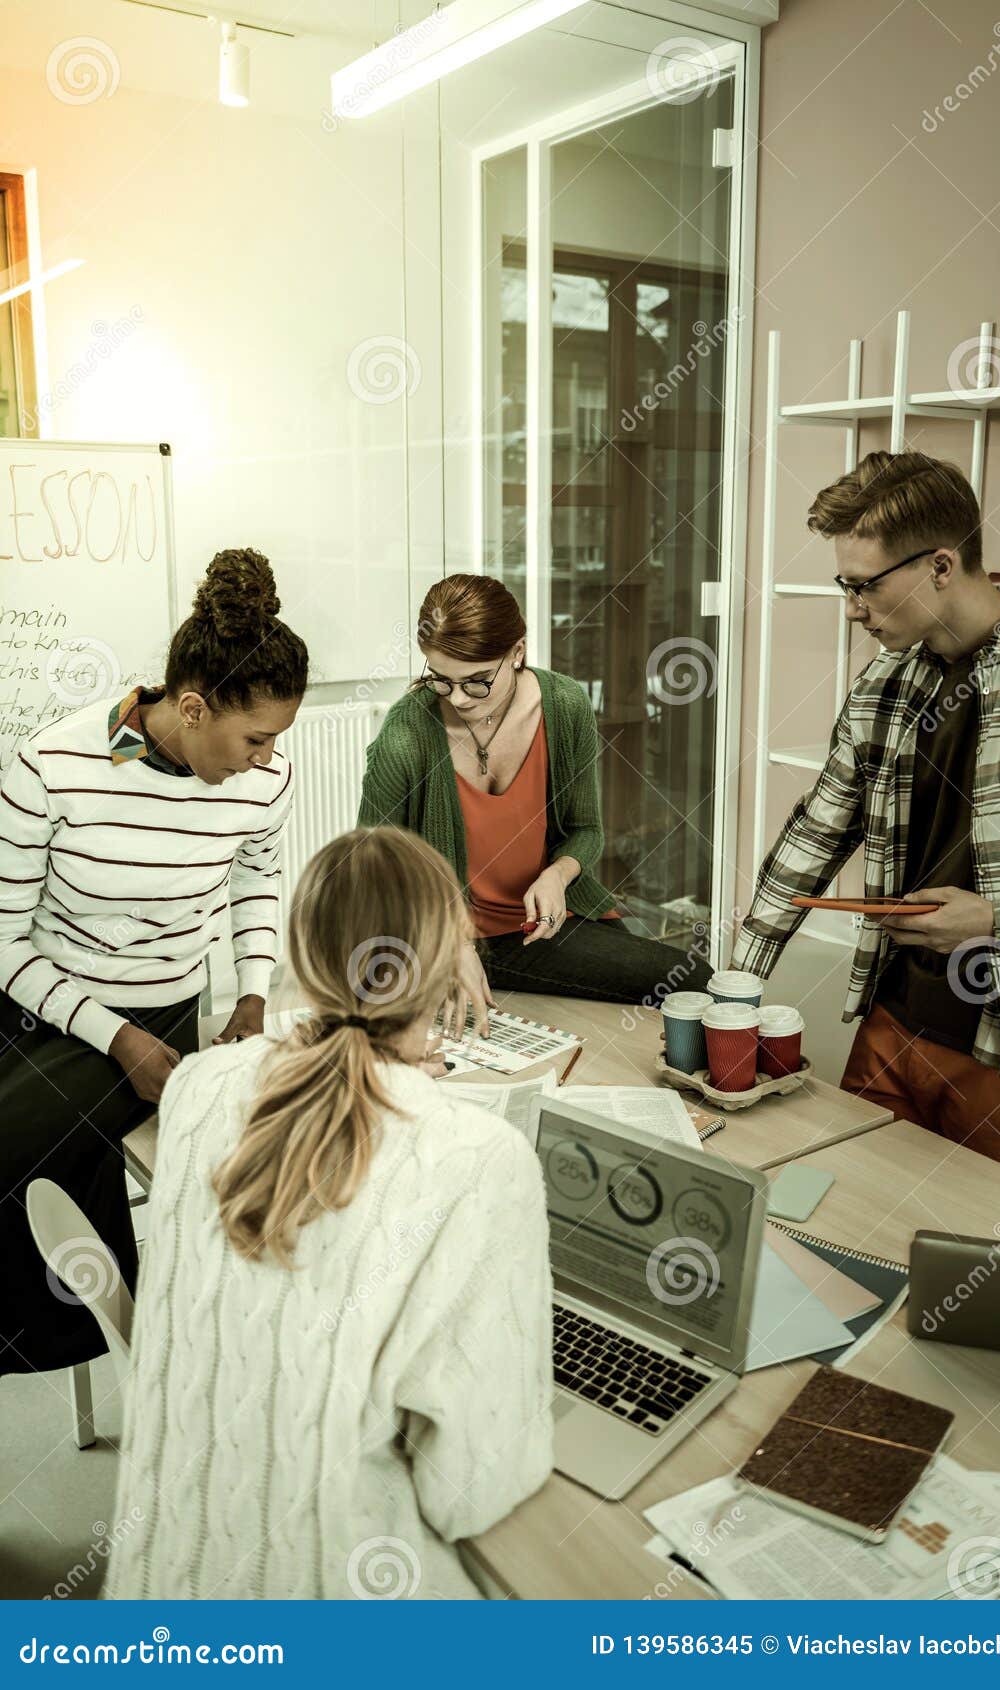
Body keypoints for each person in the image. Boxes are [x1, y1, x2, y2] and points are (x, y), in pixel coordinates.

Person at [104, 826, 554, 1601]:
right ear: (450, 959)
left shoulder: (198, 1087)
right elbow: (469, 1488)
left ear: (301, 953)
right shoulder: (477, 1155)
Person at [0, 548, 308, 1376]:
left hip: (160, 1010)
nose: (267, 761)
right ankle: (78, 1327)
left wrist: (251, 993)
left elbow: (257, 873)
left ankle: (86, 1332)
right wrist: (113, 1037)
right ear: (196, 707)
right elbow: (2, 941)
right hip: (43, 1001)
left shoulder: (260, 782)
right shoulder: (52, 765)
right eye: (255, 738)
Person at [732, 450, 1000, 1183]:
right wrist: (736, 985)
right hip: (892, 1024)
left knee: (984, 1277)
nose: (852, 609)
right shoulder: (885, 682)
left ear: (940, 565)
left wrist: (998, 921)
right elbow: (815, 834)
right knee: (844, 1235)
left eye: (863, 587)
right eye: (842, 585)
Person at [358, 573, 708, 1031]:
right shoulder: (406, 734)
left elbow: (586, 830)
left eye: (477, 681)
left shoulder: (564, 705)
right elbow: (369, 867)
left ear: (517, 652)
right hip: (443, 934)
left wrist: (558, 875)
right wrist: (451, 943)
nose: (459, 699)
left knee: (692, 983)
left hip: (540, 927)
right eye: (441, 681)